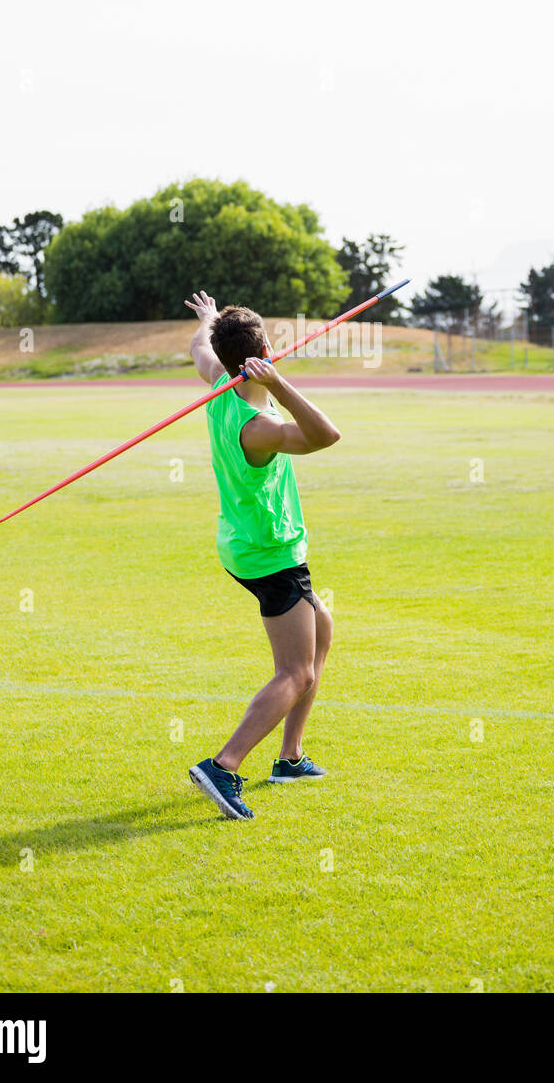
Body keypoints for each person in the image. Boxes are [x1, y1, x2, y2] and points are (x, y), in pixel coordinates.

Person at [184, 290, 341, 820]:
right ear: (265, 354)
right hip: (270, 553)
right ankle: (223, 766)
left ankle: (289, 757)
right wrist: (279, 384)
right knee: (295, 672)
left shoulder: (218, 382)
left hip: (242, 543)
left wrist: (208, 319)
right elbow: (326, 435)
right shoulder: (259, 429)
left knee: (322, 628)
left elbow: (199, 349)